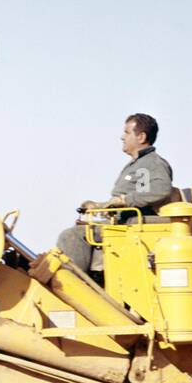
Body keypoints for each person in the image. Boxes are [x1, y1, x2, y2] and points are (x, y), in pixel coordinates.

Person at [57, 113, 174, 275]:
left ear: (141, 137)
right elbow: (141, 194)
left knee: (72, 236)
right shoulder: (139, 164)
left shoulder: (150, 164)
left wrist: (123, 200)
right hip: (125, 222)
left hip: (135, 224)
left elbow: (160, 190)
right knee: (85, 230)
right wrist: (100, 207)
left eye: (127, 133)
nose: (122, 137)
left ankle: (72, 284)